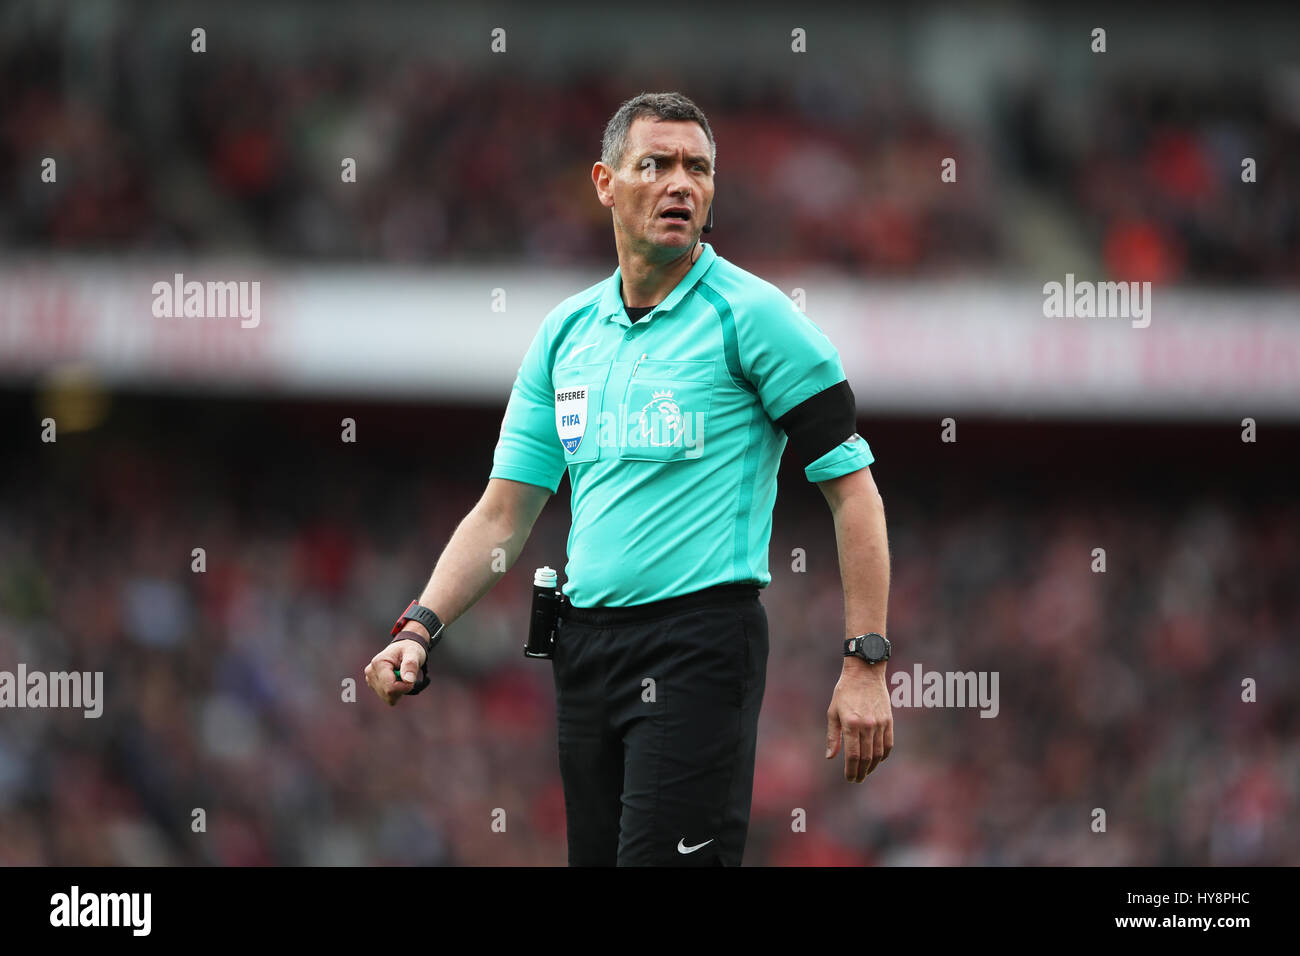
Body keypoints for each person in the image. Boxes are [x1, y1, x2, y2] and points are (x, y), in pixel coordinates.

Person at [364, 92, 893, 866]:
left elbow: (855, 491)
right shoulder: (566, 333)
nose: (682, 184)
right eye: (657, 165)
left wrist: (866, 661)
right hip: (585, 651)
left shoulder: (755, 318)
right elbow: (503, 514)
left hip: (699, 646)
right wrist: (419, 625)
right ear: (606, 183)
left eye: (698, 168)